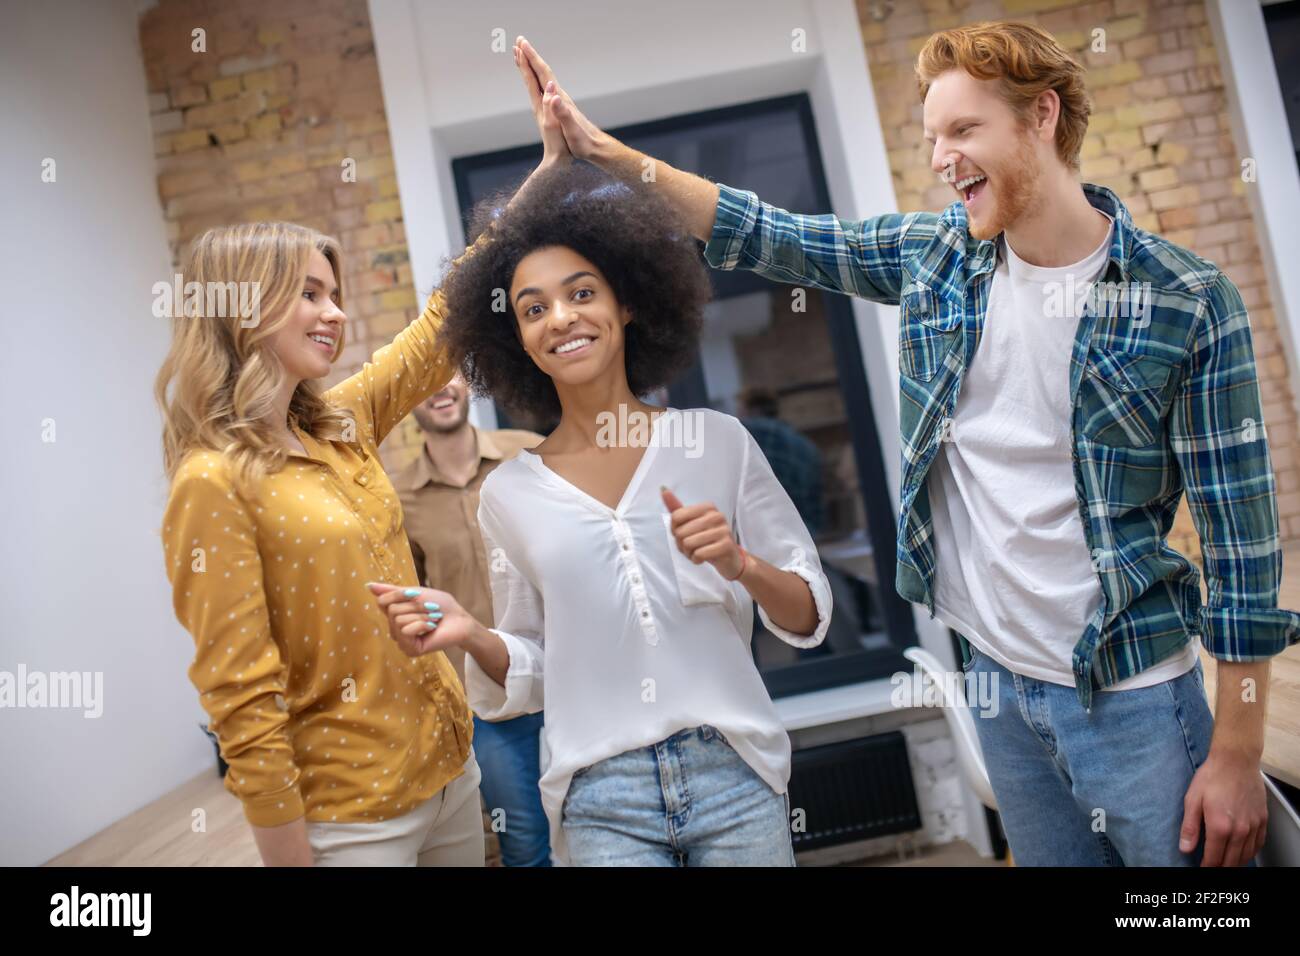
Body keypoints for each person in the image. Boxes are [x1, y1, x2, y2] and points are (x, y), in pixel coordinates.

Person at [510, 23, 1300, 867]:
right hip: (998, 688)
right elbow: (770, 234)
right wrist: (598, 150)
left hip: (1135, 698)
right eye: (931, 138)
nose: (940, 157)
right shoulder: (938, 261)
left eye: (962, 131)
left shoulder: (1182, 299)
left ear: (1042, 115)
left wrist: (1239, 752)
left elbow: (1241, 549)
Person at [369, 160, 832, 866]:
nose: (561, 318)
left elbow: (804, 615)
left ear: (628, 304)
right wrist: (470, 634)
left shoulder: (715, 442)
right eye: (533, 308)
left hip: (735, 775)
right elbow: (532, 667)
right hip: (598, 799)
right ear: (517, 340)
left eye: (581, 293)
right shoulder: (510, 494)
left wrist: (741, 565)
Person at [157, 145, 565, 865]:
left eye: (333, 293)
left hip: (449, 778)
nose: (334, 312)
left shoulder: (340, 424)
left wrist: (542, 178)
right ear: (243, 308)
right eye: (309, 294)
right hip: (355, 819)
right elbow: (240, 699)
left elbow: (439, 329)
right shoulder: (212, 480)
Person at [395, 372, 552, 866]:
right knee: (525, 843)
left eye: (447, 377)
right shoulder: (399, 499)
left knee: (598, 825)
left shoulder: (529, 454)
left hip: (567, 678)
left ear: (468, 382)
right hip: (486, 704)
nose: (438, 390)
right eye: (423, 383)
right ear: (405, 402)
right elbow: (410, 607)